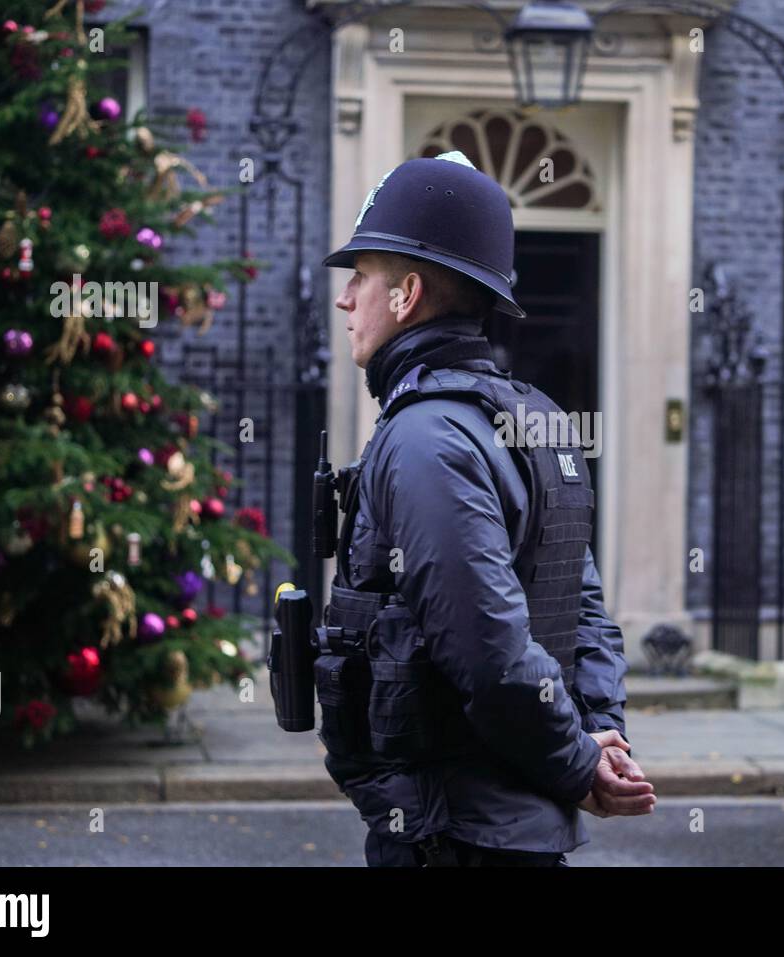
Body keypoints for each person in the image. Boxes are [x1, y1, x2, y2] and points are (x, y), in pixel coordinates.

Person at [318, 151, 656, 867]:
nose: (346, 299)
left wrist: (578, 762)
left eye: (362, 278)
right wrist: (599, 733)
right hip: (508, 832)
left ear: (406, 294)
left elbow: (489, 653)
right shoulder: (535, 420)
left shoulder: (424, 437)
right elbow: (585, 609)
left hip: (454, 836)